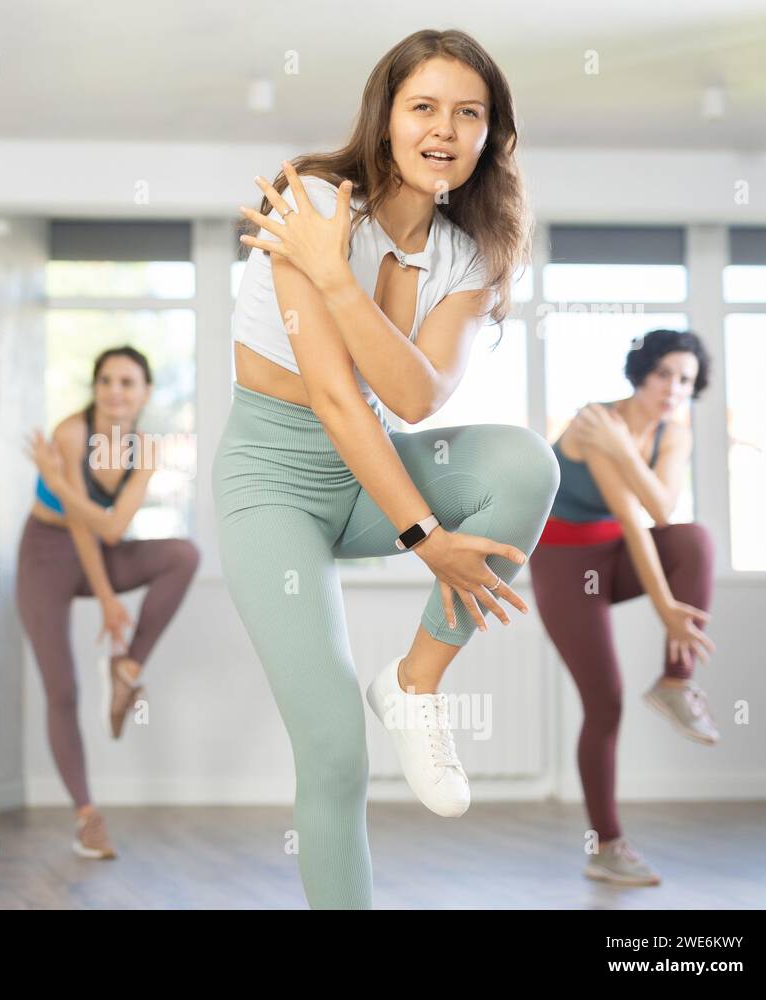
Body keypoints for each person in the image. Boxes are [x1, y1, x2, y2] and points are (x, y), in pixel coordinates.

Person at [216, 28, 558, 908]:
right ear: (386, 117)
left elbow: (411, 396)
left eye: (469, 113)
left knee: (525, 465)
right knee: (333, 750)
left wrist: (335, 281)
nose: (444, 129)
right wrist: (426, 536)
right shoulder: (312, 199)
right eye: (424, 107)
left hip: (370, 469)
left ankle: (415, 684)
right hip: (273, 482)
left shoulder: (470, 253)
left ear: (492, 135)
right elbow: (333, 396)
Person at [529, 329, 717, 887]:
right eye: (663, 374)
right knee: (605, 701)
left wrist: (625, 450)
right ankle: (606, 846)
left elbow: (663, 509)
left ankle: (676, 683)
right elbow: (639, 518)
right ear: (641, 374)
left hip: (616, 550)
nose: (673, 388)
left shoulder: (675, 432)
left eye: (685, 379)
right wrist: (665, 606)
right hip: (565, 560)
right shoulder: (592, 421)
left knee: (695, 540)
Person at [20, 346, 201, 859]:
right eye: (106, 381)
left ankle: (127, 669)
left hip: (103, 549)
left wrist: (57, 483)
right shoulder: (72, 433)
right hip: (44, 557)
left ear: (145, 393)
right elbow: (83, 523)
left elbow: (115, 528)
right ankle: (87, 816)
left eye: (127, 382)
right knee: (63, 689)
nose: (115, 391)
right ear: (95, 389)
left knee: (183, 555)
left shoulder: (146, 448)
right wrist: (106, 598)